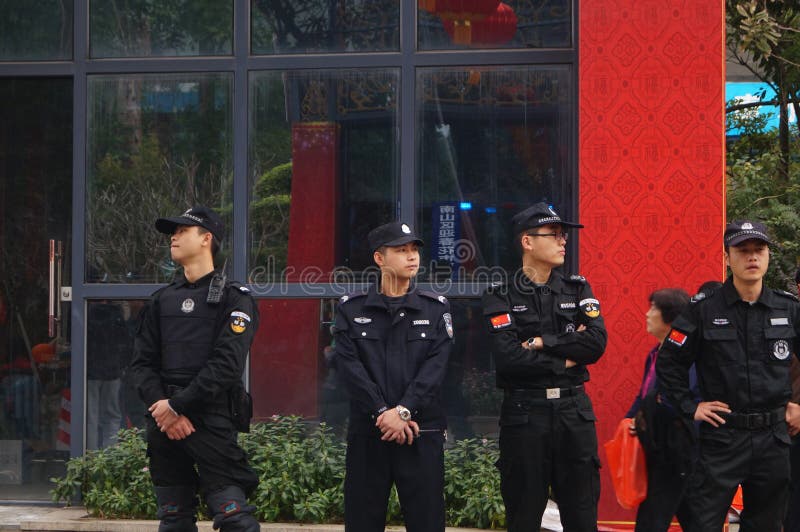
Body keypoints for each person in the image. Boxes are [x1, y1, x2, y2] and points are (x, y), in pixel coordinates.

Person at [657, 220, 800, 532]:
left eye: (758, 250)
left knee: (766, 524)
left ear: (767, 256)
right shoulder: (703, 310)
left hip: (772, 438)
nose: (752, 257)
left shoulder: (787, 309)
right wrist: (689, 407)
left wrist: (799, 403)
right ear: (727, 258)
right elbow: (669, 362)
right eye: (742, 250)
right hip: (722, 437)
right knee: (703, 523)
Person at [130, 206, 260, 532]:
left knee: (236, 521)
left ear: (206, 239)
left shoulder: (235, 299)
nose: (173, 237)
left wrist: (177, 406)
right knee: (173, 521)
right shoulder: (161, 300)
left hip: (212, 420)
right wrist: (164, 409)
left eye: (182, 231)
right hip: (164, 424)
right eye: (172, 232)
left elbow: (226, 365)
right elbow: (142, 365)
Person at [481, 203, 607, 532]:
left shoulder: (578, 289)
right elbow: (509, 358)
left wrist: (541, 342)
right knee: (523, 516)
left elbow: (595, 344)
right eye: (554, 234)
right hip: (525, 414)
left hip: (574, 414)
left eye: (563, 235)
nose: (563, 241)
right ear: (527, 241)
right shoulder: (501, 294)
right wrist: (567, 354)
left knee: (582, 517)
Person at [333, 221, 453, 532]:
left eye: (414, 250)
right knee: (362, 521)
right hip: (370, 433)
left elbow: (435, 370)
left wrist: (402, 411)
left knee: (427, 521)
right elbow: (350, 369)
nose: (412, 257)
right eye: (401, 250)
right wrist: (382, 413)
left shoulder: (435, 310)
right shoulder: (351, 309)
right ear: (379, 258)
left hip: (420, 431)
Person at [624, 288, 694, 531]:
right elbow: (643, 395)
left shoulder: (687, 358)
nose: (647, 314)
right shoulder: (655, 354)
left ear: (672, 318)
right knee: (692, 516)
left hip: (676, 449)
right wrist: (629, 420)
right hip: (656, 448)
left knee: (652, 519)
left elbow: (682, 403)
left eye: (653, 308)